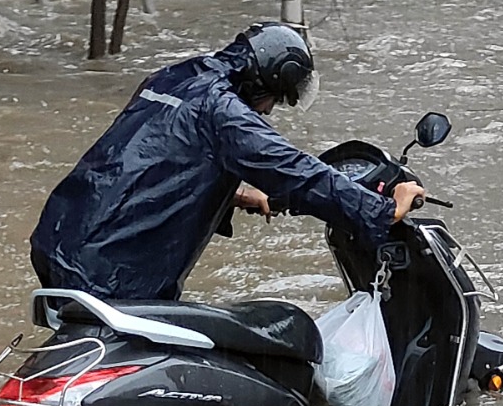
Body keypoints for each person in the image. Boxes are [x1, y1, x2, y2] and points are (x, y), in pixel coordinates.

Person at [28, 22, 425, 301]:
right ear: (266, 81)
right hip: (109, 273)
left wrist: (236, 194)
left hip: (58, 242)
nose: (269, 112)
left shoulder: (174, 76)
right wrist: (385, 209)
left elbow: (148, 157)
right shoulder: (224, 112)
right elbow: (300, 174)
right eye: (275, 99)